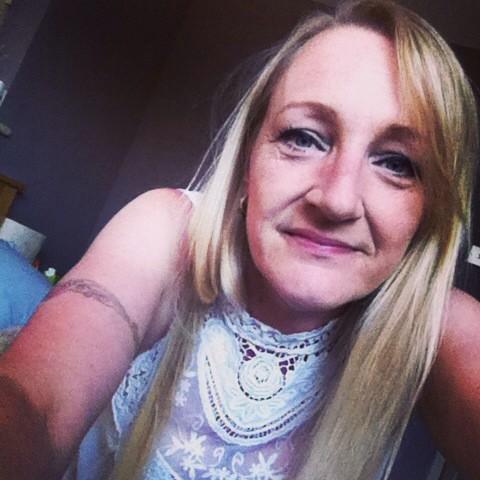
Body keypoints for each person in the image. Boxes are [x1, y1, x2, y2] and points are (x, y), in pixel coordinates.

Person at [0, 0, 479, 478]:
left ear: (431, 210)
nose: (337, 200)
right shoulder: (168, 229)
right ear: (249, 159)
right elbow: (38, 401)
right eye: (303, 137)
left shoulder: (434, 322)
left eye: (397, 163)